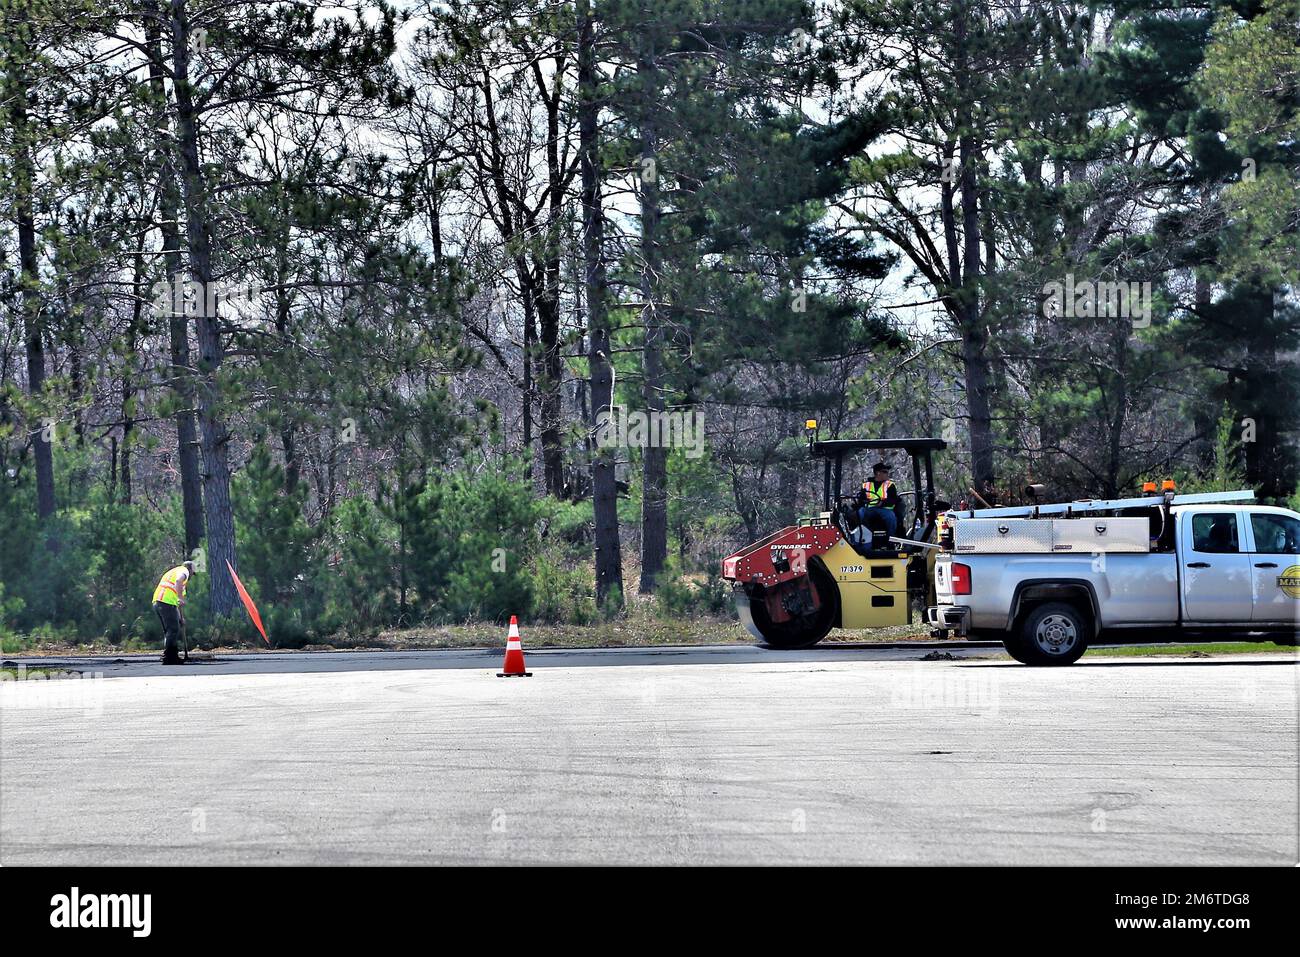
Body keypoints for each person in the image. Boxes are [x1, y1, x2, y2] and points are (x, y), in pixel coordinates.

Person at [152, 560, 196, 665]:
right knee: (173, 629)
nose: (191, 576)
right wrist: (180, 598)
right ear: (189, 569)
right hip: (165, 602)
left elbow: (176, 599)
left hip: (158, 602)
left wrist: (180, 618)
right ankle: (169, 658)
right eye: (192, 573)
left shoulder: (173, 572)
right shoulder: (184, 571)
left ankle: (170, 655)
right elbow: (178, 582)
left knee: (170, 631)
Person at [856, 461, 900, 543]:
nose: (887, 474)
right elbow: (861, 499)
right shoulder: (866, 485)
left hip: (885, 509)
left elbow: (893, 499)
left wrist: (882, 503)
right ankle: (862, 538)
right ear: (878, 473)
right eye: (885, 472)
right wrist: (864, 501)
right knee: (860, 513)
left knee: (891, 517)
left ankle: (891, 540)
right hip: (869, 509)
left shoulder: (890, 485)